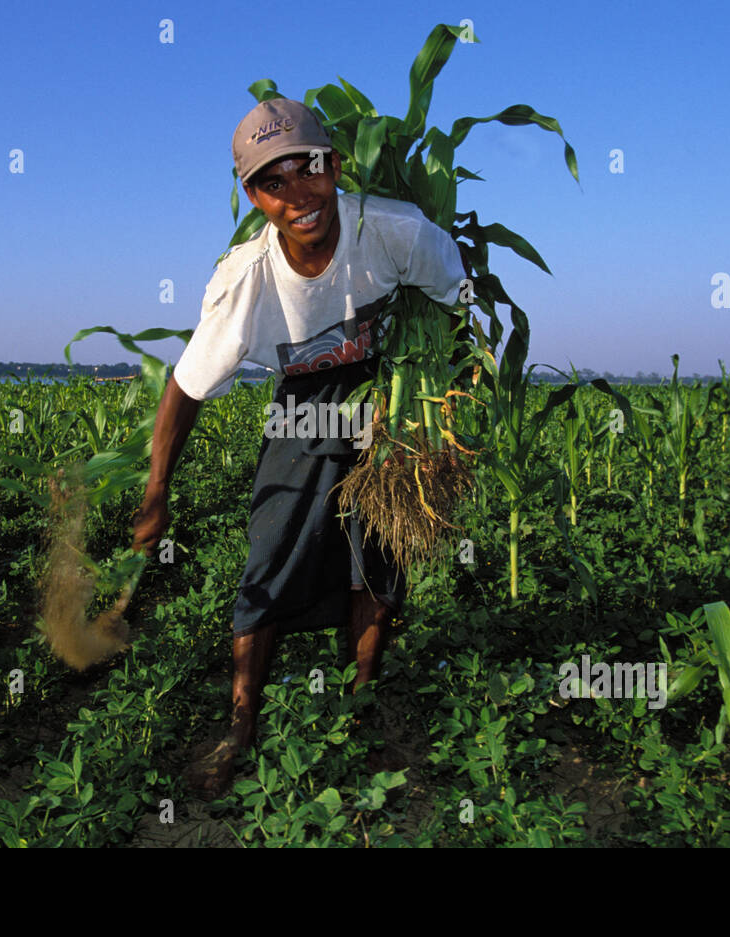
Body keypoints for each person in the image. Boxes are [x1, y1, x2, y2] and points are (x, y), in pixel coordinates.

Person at [130, 97, 465, 797]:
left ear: (335, 165)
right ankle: (240, 727)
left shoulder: (397, 232)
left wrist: (440, 414)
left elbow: (455, 307)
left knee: (378, 559)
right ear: (253, 197)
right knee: (270, 557)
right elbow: (185, 389)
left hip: (387, 390)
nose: (296, 194)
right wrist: (157, 492)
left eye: (307, 168)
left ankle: (362, 709)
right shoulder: (245, 280)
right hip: (303, 407)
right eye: (271, 182)